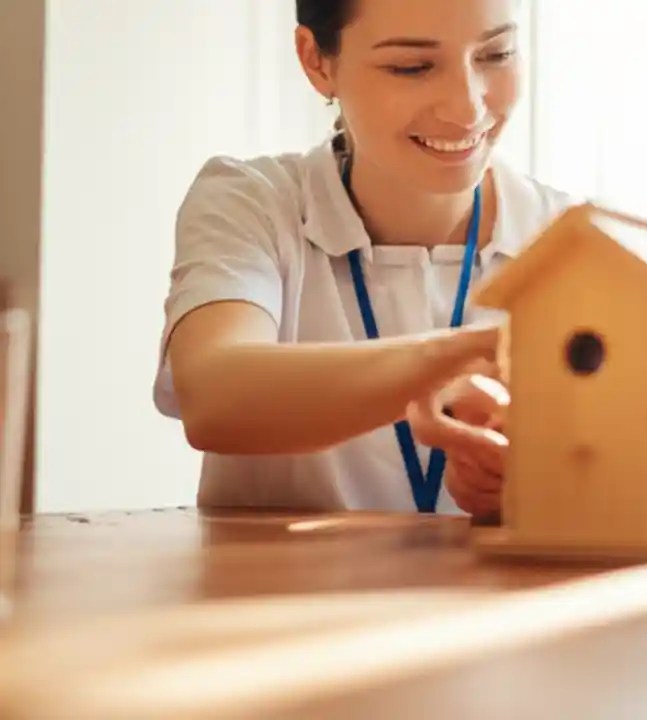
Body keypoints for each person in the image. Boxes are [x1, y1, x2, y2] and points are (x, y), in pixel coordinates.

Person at [154, 0, 572, 516]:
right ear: (316, 61)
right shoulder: (252, 201)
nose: (467, 108)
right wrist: (466, 357)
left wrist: (538, 485)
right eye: (411, 67)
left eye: (496, 54)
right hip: (274, 572)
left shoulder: (572, 237)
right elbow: (214, 398)